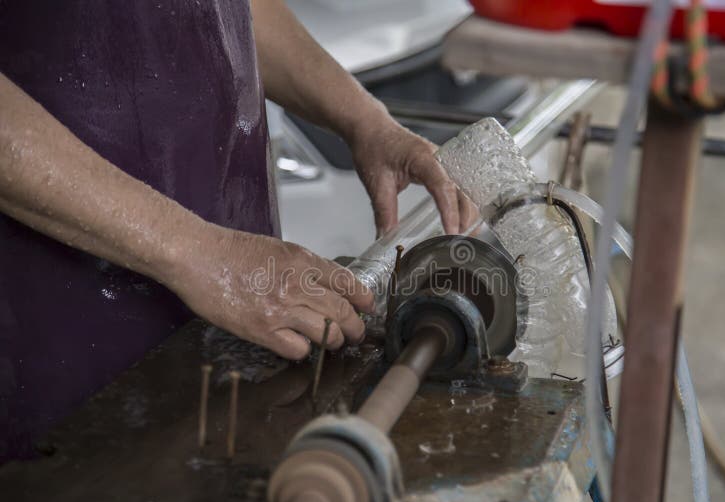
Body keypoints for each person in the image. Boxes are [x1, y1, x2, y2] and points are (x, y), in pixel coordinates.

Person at [0, 0, 476, 461]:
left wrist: (365, 119)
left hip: (238, 263)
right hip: (59, 305)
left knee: (234, 452)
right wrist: (199, 252)